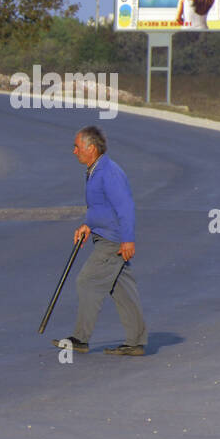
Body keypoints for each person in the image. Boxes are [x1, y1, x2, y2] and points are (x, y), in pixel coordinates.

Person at [53, 126, 147, 356]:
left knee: (87, 281)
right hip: (106, 236)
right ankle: (135, 342)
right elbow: (102, 207)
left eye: (77, 146)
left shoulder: (109, 172)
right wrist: (89, 226)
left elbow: (125, 207)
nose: (74, 151)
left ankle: (80, 339)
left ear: (91, 148)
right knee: (121, 289)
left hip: (112, 241)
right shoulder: (96, 170)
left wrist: (127, 240)